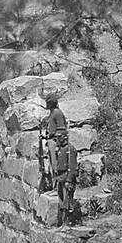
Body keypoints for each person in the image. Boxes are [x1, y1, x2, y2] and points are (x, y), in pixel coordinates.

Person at [43, 93, 78, 227]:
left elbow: (61, 129)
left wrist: (56, 138)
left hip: (54, 139)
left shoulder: (57, 113)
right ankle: (54, 184)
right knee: (53, 164)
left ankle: (66, 221)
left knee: (56, 164)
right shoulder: (53, 113)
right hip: (52, 139)